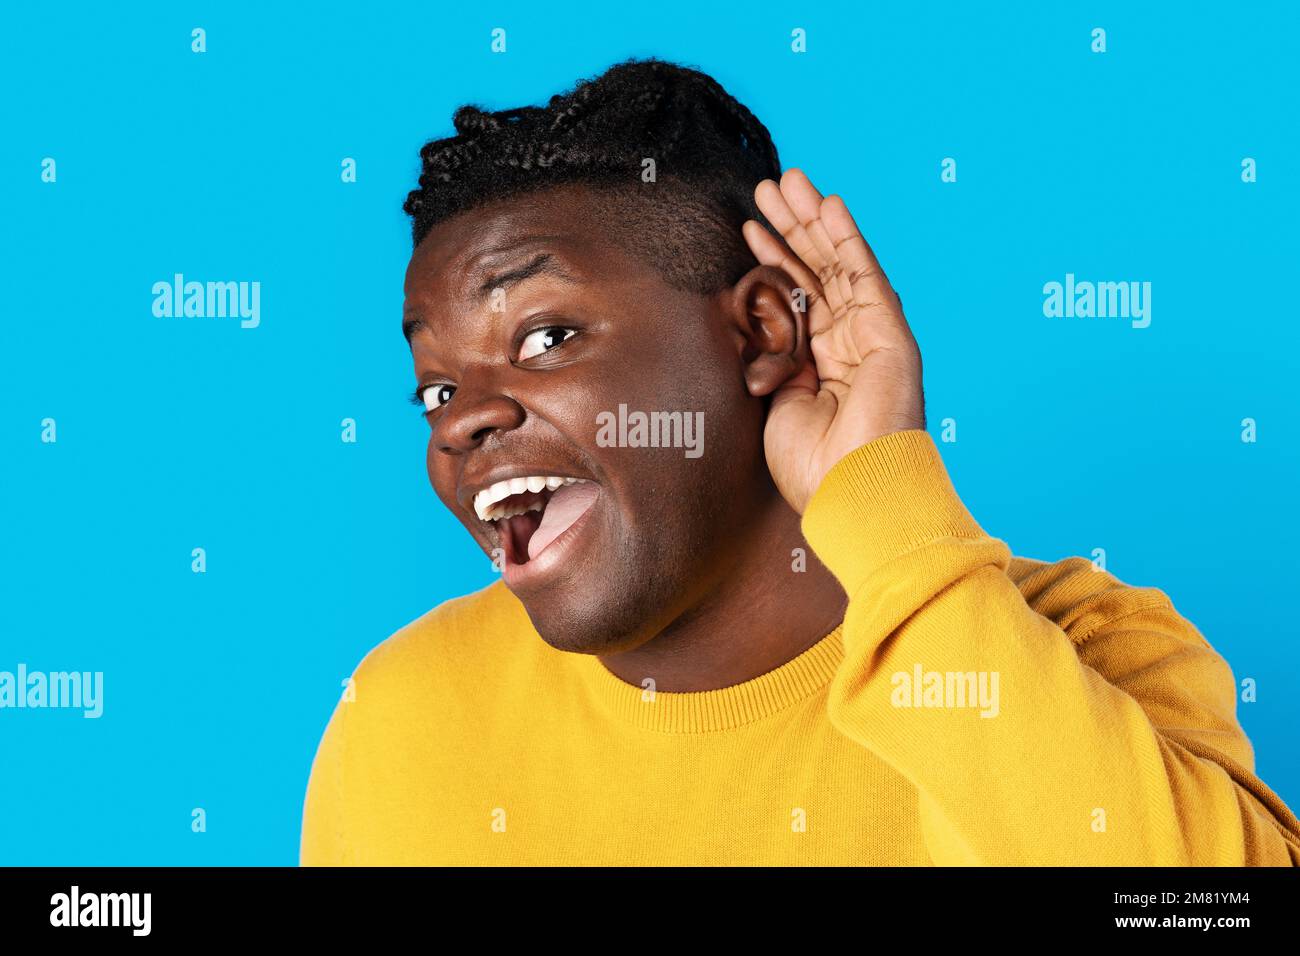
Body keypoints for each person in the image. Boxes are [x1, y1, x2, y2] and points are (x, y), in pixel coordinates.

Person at [300, 56, 1300, 865]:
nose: (462, 419)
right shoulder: (401, 712)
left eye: (547, 337)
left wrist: (885, 503)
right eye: (435, 388)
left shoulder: (1088, 650)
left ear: (760, 331)